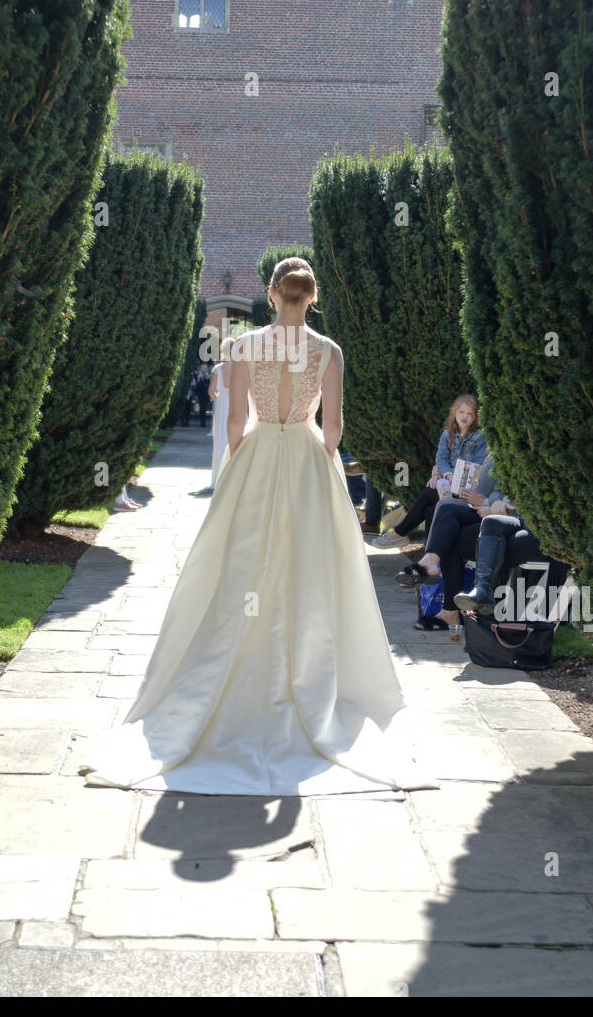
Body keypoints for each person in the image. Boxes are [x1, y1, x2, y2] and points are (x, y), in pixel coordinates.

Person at [78, 256, 439, 796]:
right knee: (310, 573)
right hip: (307, 459)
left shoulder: (241, 346)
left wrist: (240, 468)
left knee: (241, 570)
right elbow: (334, 429)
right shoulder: (329, 351)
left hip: (257, 457)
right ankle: (309, 679)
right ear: (311, 298)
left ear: (271, 294)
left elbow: (235, 423)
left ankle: (228, 676)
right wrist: (322, 463)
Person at [394, 456, 514, 631]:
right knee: (445, 507)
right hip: (487, 510)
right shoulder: (498, 450)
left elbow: (513, 498)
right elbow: (484, 489)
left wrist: (490, 502)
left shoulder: (521, 449)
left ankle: (449, 609)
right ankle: (430, 562)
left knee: (449, 532)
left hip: (508, 519)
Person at [372, 395, 486, 550]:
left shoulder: (479, 437)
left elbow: (477, 463)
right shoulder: (447, 434)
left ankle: (398, 534)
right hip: (448, 481)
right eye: (461, 412)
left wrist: (450, 476)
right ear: (454, 413)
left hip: (466, 486)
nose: (465, 417)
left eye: (469, 414)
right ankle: (429, 557)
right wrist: (445, 475)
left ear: (475, 417)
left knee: (430, 492)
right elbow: (441, 459)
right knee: (430, 508)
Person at [208, 337, 234, 488]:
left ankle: (218, 478)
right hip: (237, 403)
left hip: (222, 404)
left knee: (220, 440)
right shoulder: (240, 367)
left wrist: (219, 396)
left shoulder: (217, 369)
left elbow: (211, 392)